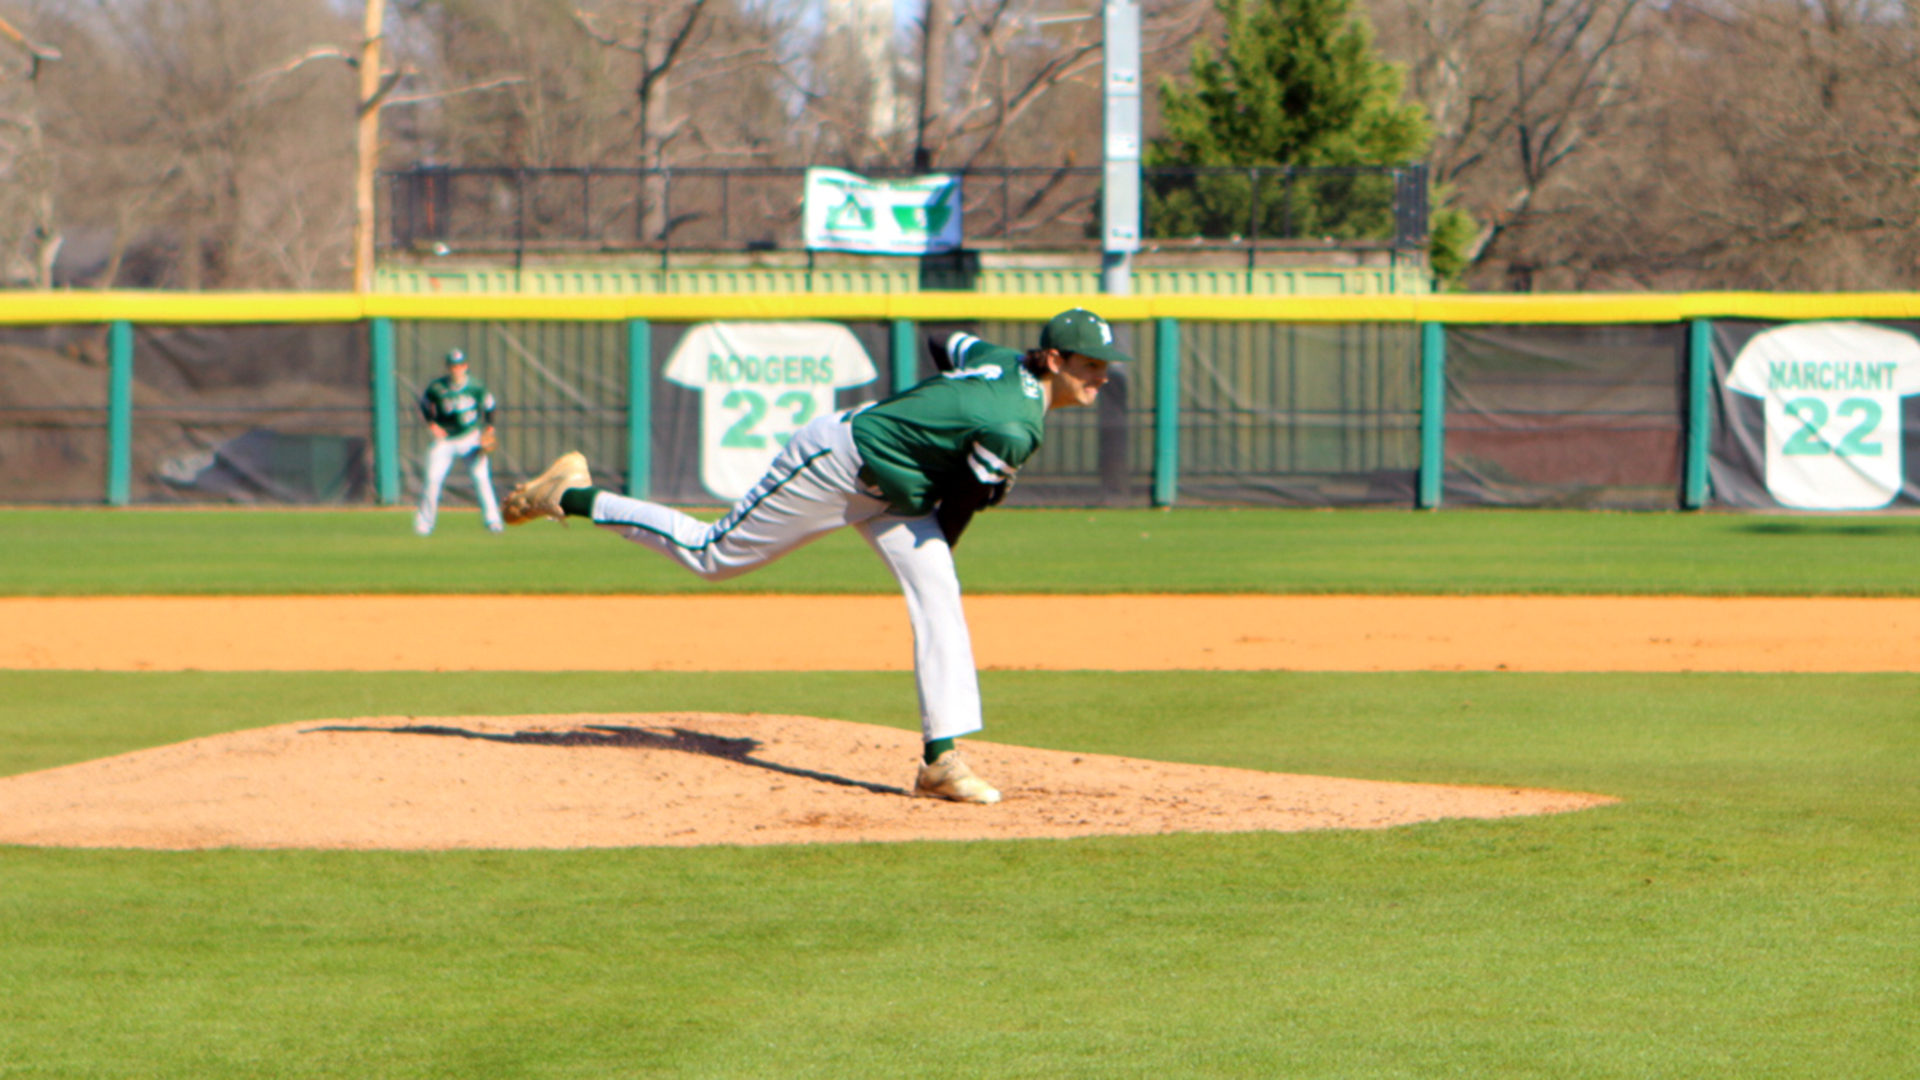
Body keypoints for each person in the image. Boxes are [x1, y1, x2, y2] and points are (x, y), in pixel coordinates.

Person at [502, 308, 1130, 803]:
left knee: (938, 592)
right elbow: (959, 511)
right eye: (1089, 364)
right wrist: (943, 455)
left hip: (895, 485)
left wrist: (930, 423)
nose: (1101, 374)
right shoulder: (1015, 427)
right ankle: (572, 494)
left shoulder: (1002, 365)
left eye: (1104, 365)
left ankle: (942, 761)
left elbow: (947, 342)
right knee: (713, 554)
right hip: (836, 463)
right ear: (1052, 359)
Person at [414, 348, 503, 535]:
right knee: (432, 479)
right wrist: (432, 425)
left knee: (481, 478)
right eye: (453, 366)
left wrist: (489, 428)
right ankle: (424, 524)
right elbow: (423, 404)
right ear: (448, 368)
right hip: (446, 440)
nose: (457, 369)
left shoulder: (476, 387)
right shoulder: (437, 388)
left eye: (460, 365)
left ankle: (493, 521)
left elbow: (490, 406)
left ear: (466, 366)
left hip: (470, 437)